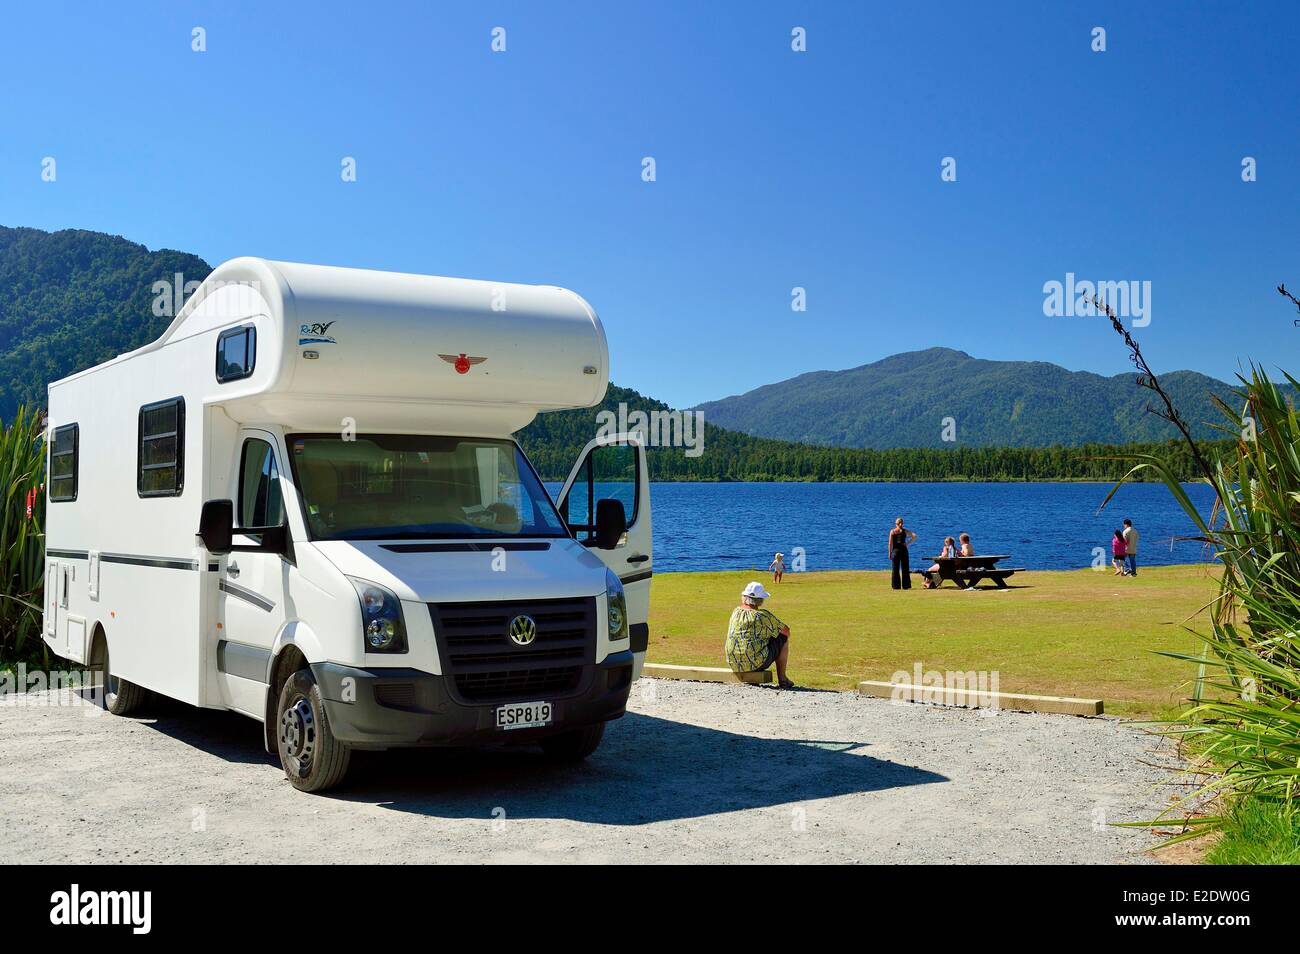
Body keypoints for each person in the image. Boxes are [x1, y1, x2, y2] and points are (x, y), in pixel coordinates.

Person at [724, 581, 794, 688]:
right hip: (755, 663)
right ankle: (783, 679)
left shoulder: (735, 611)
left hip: (733, 662)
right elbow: (786, 631)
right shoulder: (762, 616)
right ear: (760, 600)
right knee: (782, 638)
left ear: (744, 597)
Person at [888, 517, 917, 590]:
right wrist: (907, 543)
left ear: (896, 524)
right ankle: (906, 585)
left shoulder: (892, 531)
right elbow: (914, 536)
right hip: (904, 550)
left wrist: (889, 553)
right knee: (905, 568)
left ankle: (896, 586)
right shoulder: (905, 531)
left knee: (895, 569)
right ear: (902, 523)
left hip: (895, 551)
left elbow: (890, 544)